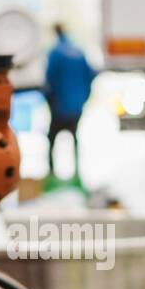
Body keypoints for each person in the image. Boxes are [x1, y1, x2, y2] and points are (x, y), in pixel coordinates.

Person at [43, 22, 96, 192]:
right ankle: (76, 175)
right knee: (74, 138)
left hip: (59, 104)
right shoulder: (79, 51)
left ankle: (51, 175)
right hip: (76, 105)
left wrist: (50, 98)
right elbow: (90, 75)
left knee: (52, 139)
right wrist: (83, 98)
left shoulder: (55, 53)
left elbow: (50, 78)